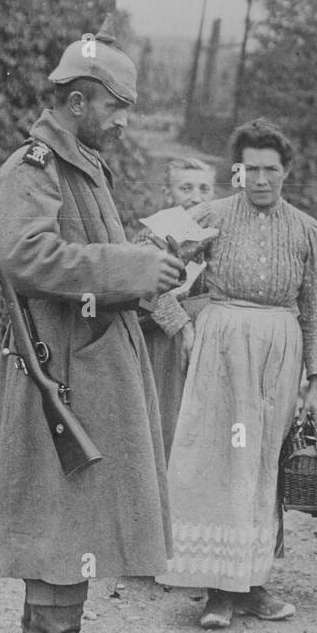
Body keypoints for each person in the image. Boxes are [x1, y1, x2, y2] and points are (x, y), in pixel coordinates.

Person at [0, 23, 187, 633]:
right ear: (76, 101)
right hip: (58, 365)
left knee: (81, 505)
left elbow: (82, 246)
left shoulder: (83, 160)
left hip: (90, 356)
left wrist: (146, 256)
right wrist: (129, 265)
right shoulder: (34, 167)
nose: (125, 122)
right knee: (61, 509)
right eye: (116, 107)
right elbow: (26, 258)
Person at [160, 119, 317, 629]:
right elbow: (153, 266)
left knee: (261, 464)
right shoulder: (209, 215)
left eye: (270, 170)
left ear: (286, 172)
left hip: (279, 350)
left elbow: (316, 307)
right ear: (238, 171)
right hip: (219, 347)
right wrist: (180, 327)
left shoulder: (306, 229)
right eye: (250, 169)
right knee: (216, 459)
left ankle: (253, 585)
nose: (259, 179)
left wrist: (315, 380)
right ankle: (216, 590)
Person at [139, 156, 216, 457]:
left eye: (204, 189)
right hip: (164, 344)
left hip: (208, 343)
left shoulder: (218, 234)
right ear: (168, 193)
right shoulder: (152, 234)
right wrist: (181, 324)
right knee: (167, 424)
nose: (196, 197)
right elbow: (145, 292)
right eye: (186, 188)